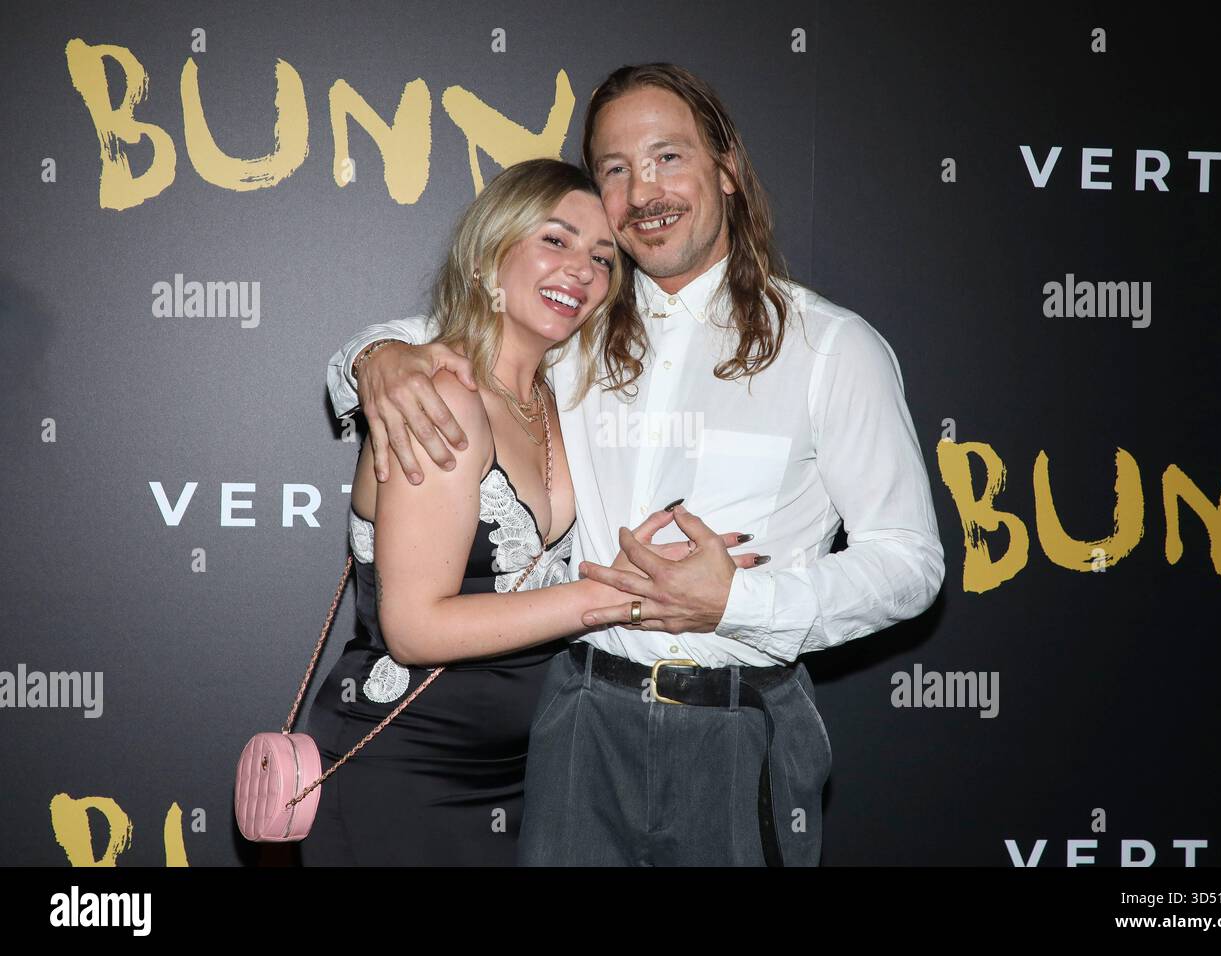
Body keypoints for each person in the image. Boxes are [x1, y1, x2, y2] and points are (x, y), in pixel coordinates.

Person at [326, 64, 945, 866]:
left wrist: (739, 600)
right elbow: (449, 330)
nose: (642, 189)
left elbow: (910, 562)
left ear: (727, 169)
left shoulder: (830, 347)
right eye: (615, 169)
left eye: (667, 158)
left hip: (740, 728)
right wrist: (375, 357)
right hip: (576, 722)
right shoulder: (575, 329)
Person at [301, 157, 761, 866]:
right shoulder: (439, 393)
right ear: (490, 258)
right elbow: (415, 627)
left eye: (603, 258)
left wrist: (655, 569)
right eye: (556, 240)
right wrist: (616, 598)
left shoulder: (568, 399)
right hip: (407, 769)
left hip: (536, 774)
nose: (581, 268)